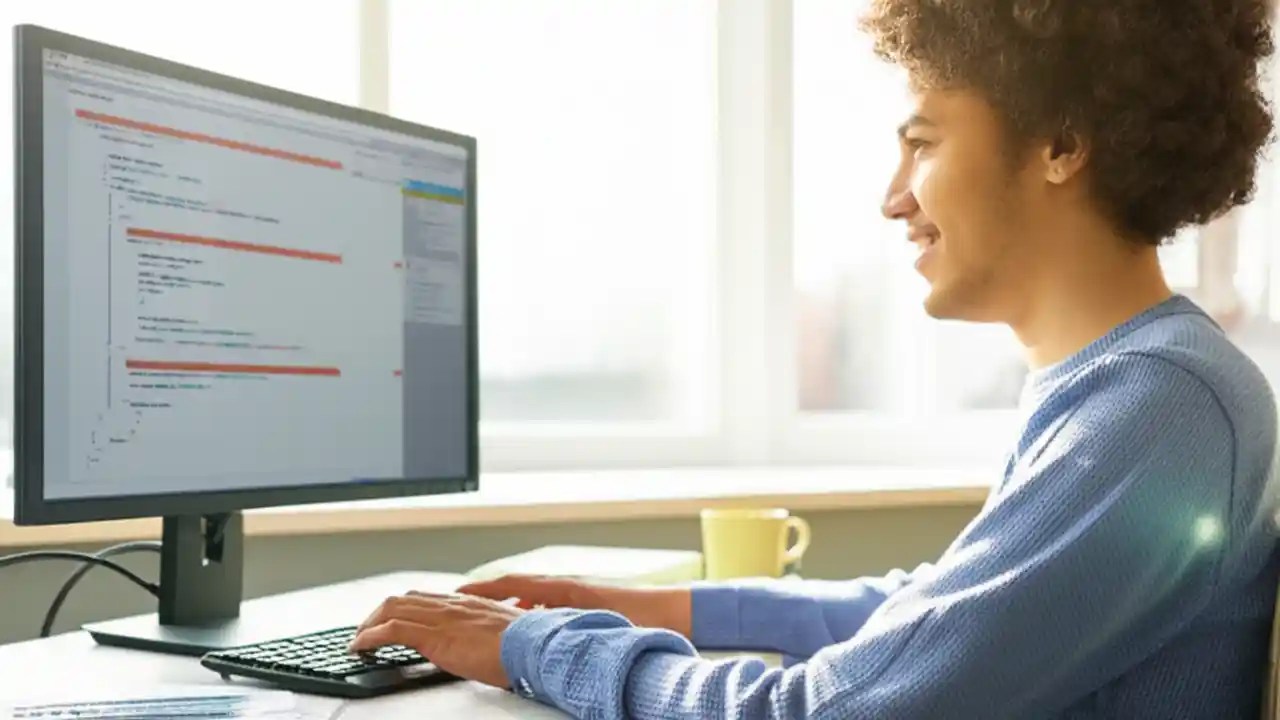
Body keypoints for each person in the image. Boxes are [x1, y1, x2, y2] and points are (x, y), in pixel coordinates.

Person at [350, 0, 1280, 717]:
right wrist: (654, 609)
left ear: (1063, 144)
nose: (892, 198)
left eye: (922, 143)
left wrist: (540, 649)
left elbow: (831, 708)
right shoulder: (1132, 383)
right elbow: (931, 619)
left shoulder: (1160, 408)